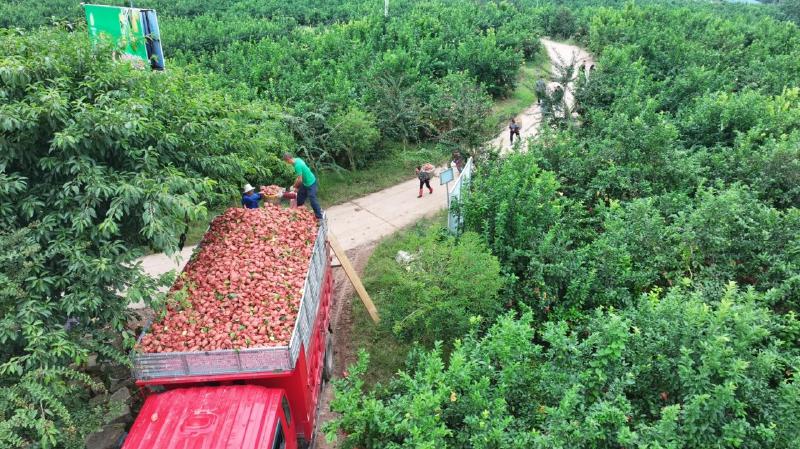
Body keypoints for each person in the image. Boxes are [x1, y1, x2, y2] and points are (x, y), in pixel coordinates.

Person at [282, 153, 324, 220]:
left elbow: (300, 180)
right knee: (299, 198)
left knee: (312, 199)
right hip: (305, 183)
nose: (287, 163)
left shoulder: (297, 165)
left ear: (288, 159)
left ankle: (320, 217)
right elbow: (299, 177)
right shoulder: (297, 159)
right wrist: (295, 186)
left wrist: (294, 186)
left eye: (286, 162)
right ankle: (299, 214)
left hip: (311, 183)